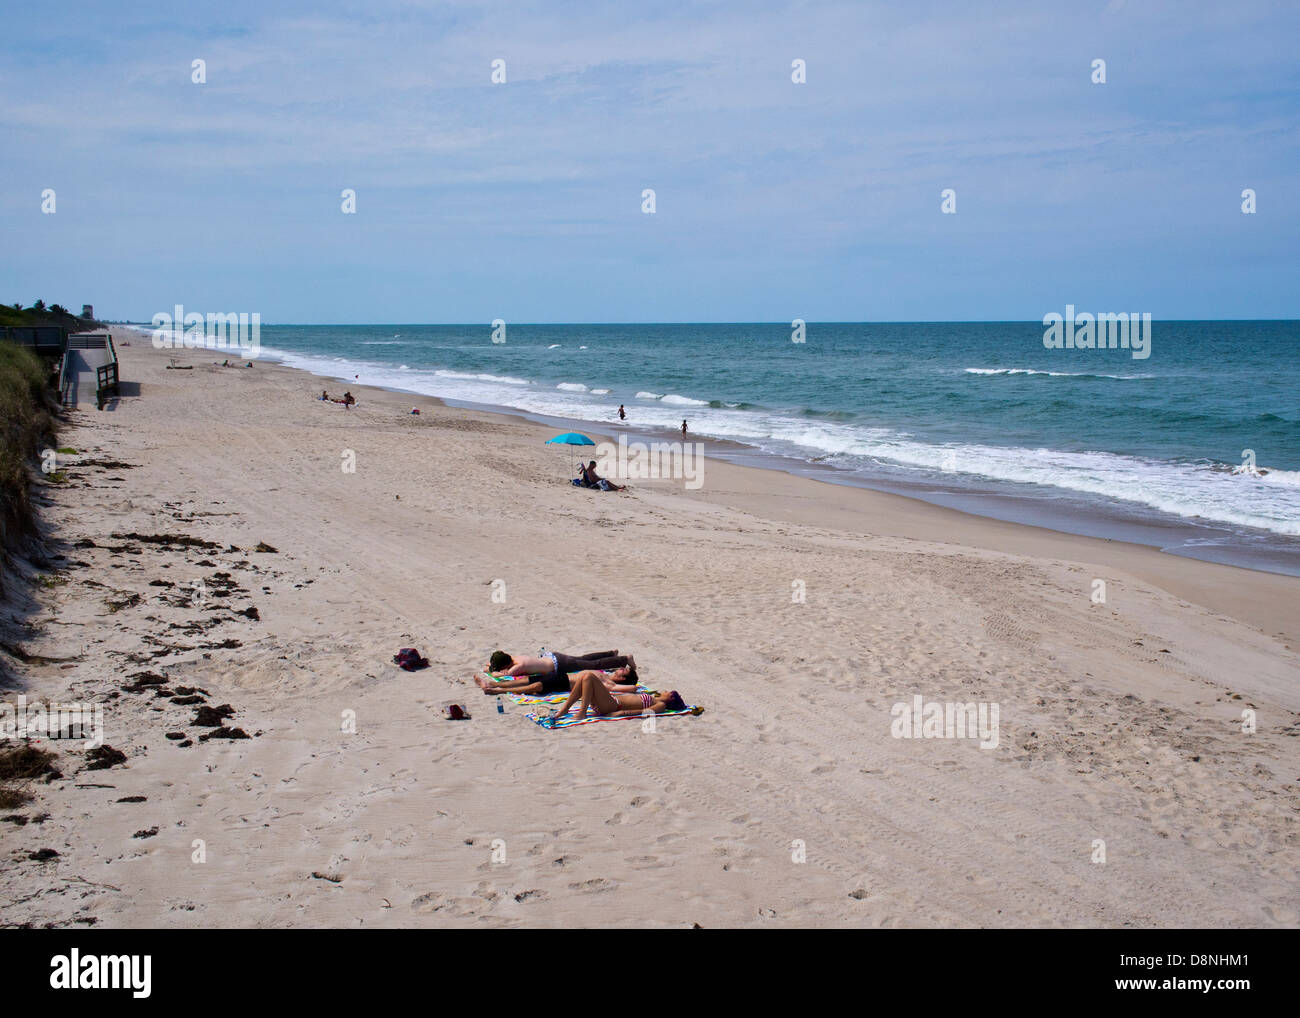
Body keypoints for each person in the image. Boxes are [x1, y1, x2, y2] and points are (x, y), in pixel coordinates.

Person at [546, 672, 693, 723]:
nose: (665, 691)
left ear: (670, 698)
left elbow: (643, 712)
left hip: (612, 706)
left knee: (589, 677)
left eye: (668, 692)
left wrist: (620, 714)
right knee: (585, 678)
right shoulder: (653, 697)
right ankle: (565, 709)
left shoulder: (660, 705)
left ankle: (582, 713)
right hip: (608, 702)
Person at [475, 663, 639, 698]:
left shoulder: (610, 684)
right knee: (526, 679)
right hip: (562, 676)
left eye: (624, 670)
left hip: (566, 684)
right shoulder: (604, 673)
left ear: (623, 677)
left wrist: (632, 683)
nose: (621, 668)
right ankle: (493, 684)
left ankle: (495, 690)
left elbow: (632, 688)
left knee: (536, 686)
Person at [487, 649, 637, 684]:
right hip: (553, 657)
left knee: (590, 665)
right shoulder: (515, 658)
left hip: (559, 665)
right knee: (583, 660)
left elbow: (499, 675)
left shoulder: (518, 666)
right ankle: (611, 653)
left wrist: (492, 671)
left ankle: (624, 659)